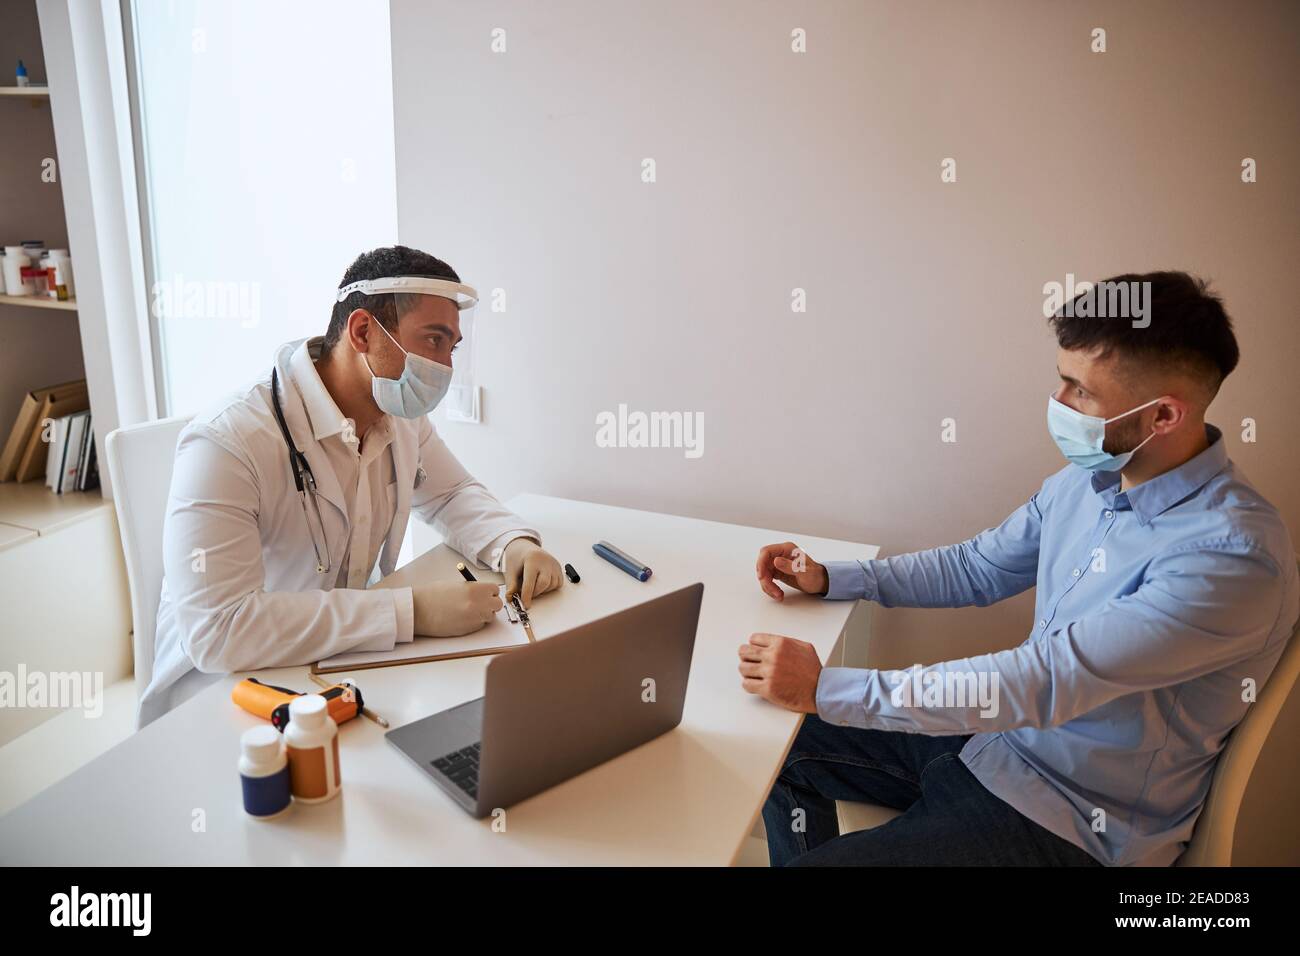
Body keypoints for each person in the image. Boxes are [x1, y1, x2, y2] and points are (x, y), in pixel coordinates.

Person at [743, 271, 1299, 866]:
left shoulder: (1232, 559)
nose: (1059, 405)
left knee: (806, 707)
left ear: (1163, 415)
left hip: (1068, 823)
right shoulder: (1095, 477)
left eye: (1080, 390)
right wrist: (833, 577)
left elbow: (1042, 680)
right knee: (769, 744)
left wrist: (826, 686)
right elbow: (976, 566)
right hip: (992, 745)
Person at [139, 245, 563, 726]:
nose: (444, 365)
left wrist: (513, 544)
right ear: (363, 331)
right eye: (433, 340)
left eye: (452, 348)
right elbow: (219, 630)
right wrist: (411, 612)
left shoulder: (399, 415)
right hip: (222, 700)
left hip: (332, 672)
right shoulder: (227, 442)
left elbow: (450, 493)